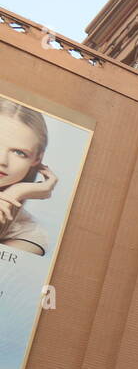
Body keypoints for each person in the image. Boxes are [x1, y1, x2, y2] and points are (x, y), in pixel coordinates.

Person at [0, 98, 57, 256]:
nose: (2, 160)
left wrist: (14, 194)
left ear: (37, 158)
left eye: (19, 152)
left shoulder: (30, 237)